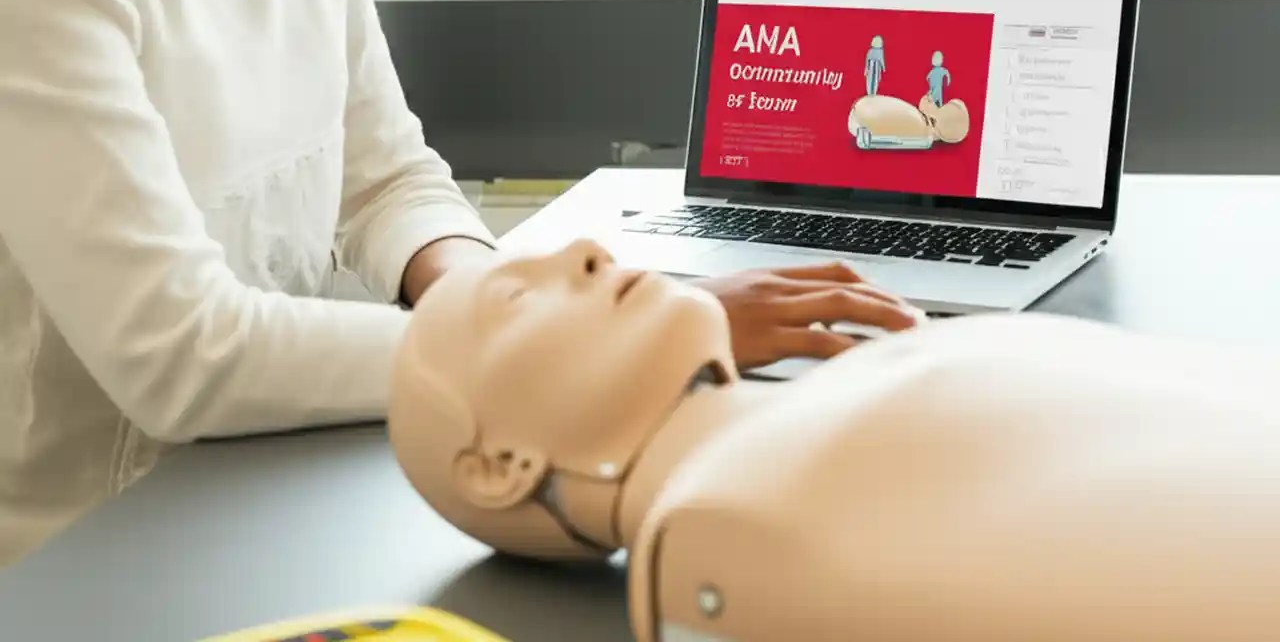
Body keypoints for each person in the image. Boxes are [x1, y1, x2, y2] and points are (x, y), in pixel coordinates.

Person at [0, 0, 921, 567]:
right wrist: (567, 347)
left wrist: (516, 309)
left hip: (256, 480)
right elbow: (178, 353)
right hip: (77, 550)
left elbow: (384, 182)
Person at [390, 241, 1280, 642]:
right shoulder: (726, 539)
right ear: (502, 467)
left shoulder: (832, 408)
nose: (583, 250)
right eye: (518, 297)